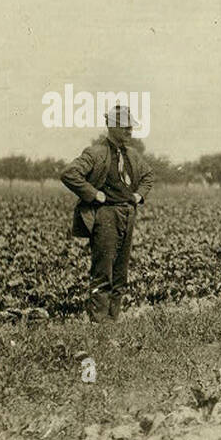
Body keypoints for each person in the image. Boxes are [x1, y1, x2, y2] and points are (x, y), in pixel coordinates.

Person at [60, 103, 154, 323]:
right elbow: (69, 174)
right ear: (111, 127)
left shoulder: (132, 155)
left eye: (131, 127)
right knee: (103, 272)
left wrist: (138, 196)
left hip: (127, 215)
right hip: (105, 216)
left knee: (120, 273)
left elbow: (148, 176)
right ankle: (100, 324)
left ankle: (113, 322)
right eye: (124, 127)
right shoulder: (95, 153)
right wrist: (93, 194)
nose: (129, 131)